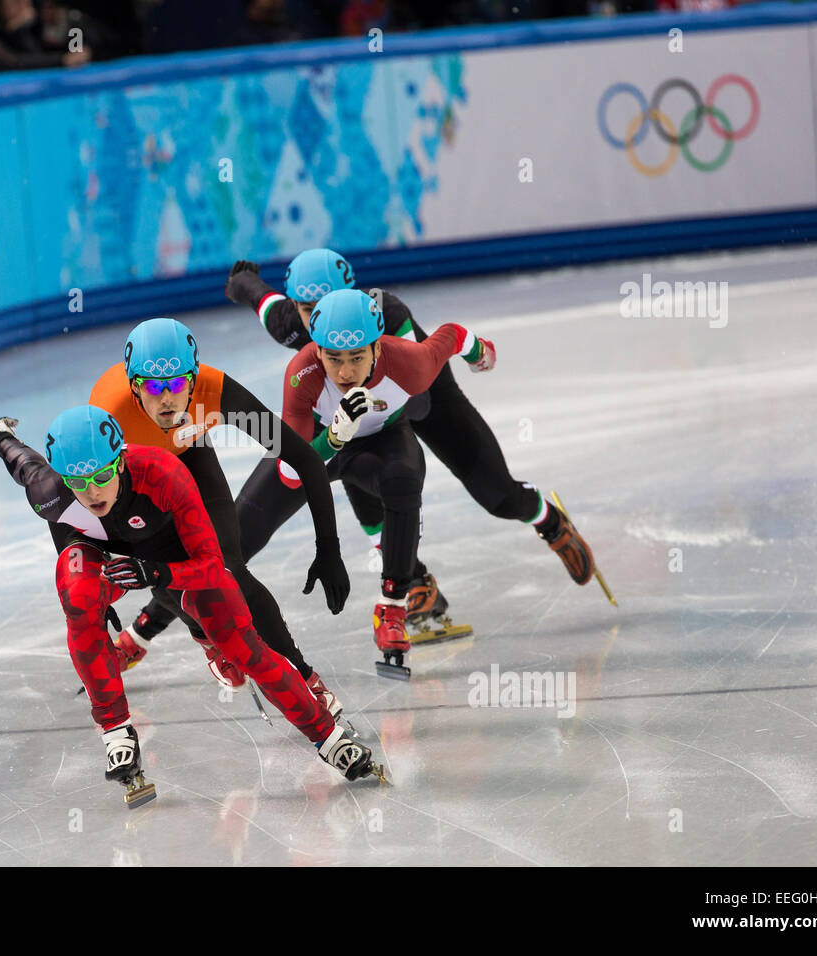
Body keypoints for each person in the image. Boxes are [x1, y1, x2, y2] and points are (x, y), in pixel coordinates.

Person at [0, 408, 382, 800]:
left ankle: (328, 737)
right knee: (77, 600)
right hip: (107, 559)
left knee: (243, 648)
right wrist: (2, 434)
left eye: (102, 476)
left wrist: (158, 574)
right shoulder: (49, 491)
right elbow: (20, 461)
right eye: (79, 481)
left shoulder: (162, 474)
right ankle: (115, 730)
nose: (92, 492)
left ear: (121, 461)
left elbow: (212, 565)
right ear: (64, 478)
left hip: (172, 556)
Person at [226, 248, 598, 606]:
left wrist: (476, 354)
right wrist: (242, 281)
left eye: (333, 302)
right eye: (308, 309)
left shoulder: (387, 313)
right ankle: (416, 581)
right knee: (362, 470)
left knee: (497, 496)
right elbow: (265, 303)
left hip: (422, 397)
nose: (325, 316)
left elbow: (414, 398)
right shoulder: (290, 322)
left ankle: (548, 520)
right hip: (358, 409)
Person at [88, 318, 351, 718]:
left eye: (177, 385)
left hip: (190, 451)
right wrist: (94, 586)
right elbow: (71, 503)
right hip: (136, 478)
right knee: (157, 565)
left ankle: (302, 674)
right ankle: (204, 636)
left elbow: (306, 460)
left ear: (194, 380)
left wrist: (328, 549)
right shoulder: (108, 417)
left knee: (228, 571)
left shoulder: (218, 392)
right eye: (153, 387)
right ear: (133, 385)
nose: (166, 400)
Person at [241, 287, 496, 678]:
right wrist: (333, 438)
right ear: (317, 349)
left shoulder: (410, 361)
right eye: (333, 357)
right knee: (236, 535)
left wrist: (480, 351)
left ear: (378, 348)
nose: (343, 372)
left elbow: (452, 336)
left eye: (356, 357)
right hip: (317, 447)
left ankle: (391, 608)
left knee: (404, 481)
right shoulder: (303, 373)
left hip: (380, 444)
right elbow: (292, 474)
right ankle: (153, 629)